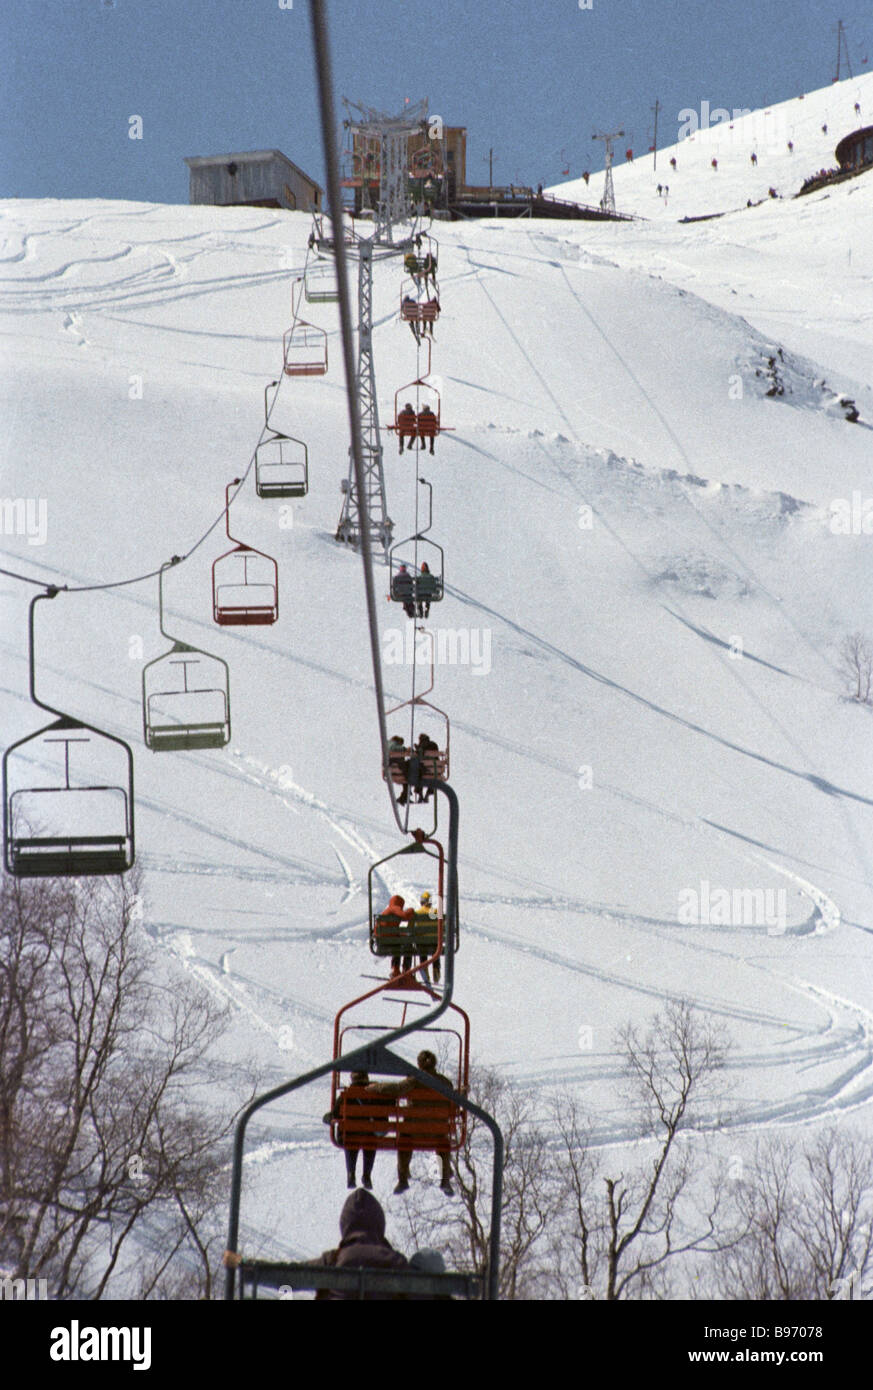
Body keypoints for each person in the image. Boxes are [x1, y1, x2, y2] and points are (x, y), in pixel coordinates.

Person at [368, 1050, 456, 1196]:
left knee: (404, 1138)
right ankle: (445, 1179)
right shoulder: (445, 1083)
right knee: (443, 1141)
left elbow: (396, 1089)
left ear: (419, 1064)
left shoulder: (415, 1080)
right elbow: (455, 1100)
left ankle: (403, 1178)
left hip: (413, 1131)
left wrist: (375, 1087)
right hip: (437, 1132)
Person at [313, 1189, 408, 1300]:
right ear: (380, 1223)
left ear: (345, 1224)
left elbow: (293, 1276)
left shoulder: (332, 1259)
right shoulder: (396, 1261)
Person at [323, 1071, 384, 1190]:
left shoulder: (345, 1096)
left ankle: (351, 1174)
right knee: (370, 1139)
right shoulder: (376, 1096)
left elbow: (334, 1114)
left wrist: (328, 1119)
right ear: (367, 1079)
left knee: (350, 1138)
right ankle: (367, 1175)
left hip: (348, 1136)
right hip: (370, 1137)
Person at [379, 892, 416, 977]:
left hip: (383, 940)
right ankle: (406, 970)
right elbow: (405, 915)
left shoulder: (388, 909)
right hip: (390, 941)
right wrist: (411, 910)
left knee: (397, 943)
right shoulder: (395, 908)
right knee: (407, 944)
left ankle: (395, 970)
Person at [417, 889, 441, 984]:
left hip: (422, 943)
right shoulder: (435, 912)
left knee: (421, 944)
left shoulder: (418, 913)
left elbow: (412, 928)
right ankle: (436, 968)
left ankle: (424, 967)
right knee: (436, 948)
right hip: (434, 943)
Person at [388, 733, 409, 803]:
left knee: (407, 778)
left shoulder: (389, 744)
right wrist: (404, 749)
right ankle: (405, 795)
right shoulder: (391, 744)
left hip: (393, 767)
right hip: (395, 766)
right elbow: (394, 749)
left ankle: (405, 795)